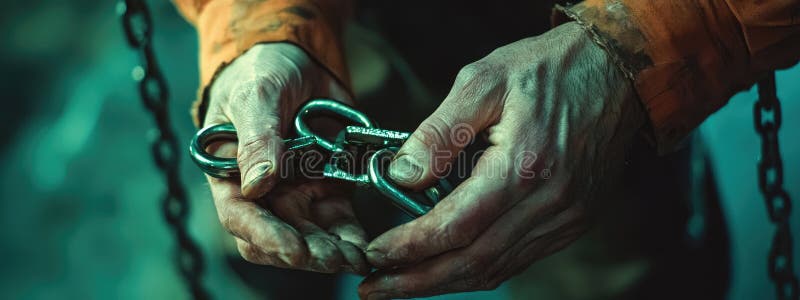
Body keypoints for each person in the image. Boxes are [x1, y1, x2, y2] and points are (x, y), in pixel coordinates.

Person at [171, 0, 800, 299]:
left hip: (574, 44)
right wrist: (262, 26)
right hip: (342, 43)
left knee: (619, 277)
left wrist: (650, 41)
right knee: (262, 236)